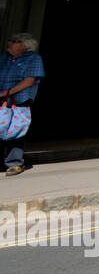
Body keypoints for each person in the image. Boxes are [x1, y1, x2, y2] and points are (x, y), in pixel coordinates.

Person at [1, 33, 44, 175]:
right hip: (2, 99)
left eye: (14, 41)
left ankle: (14, 163)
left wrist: (7, 92)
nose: (9, 42)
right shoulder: (4, 57)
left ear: (25, 46)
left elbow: (29, 81)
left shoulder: (33, 58)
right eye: (10, 39)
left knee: (16, 130)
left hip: (19, 99)